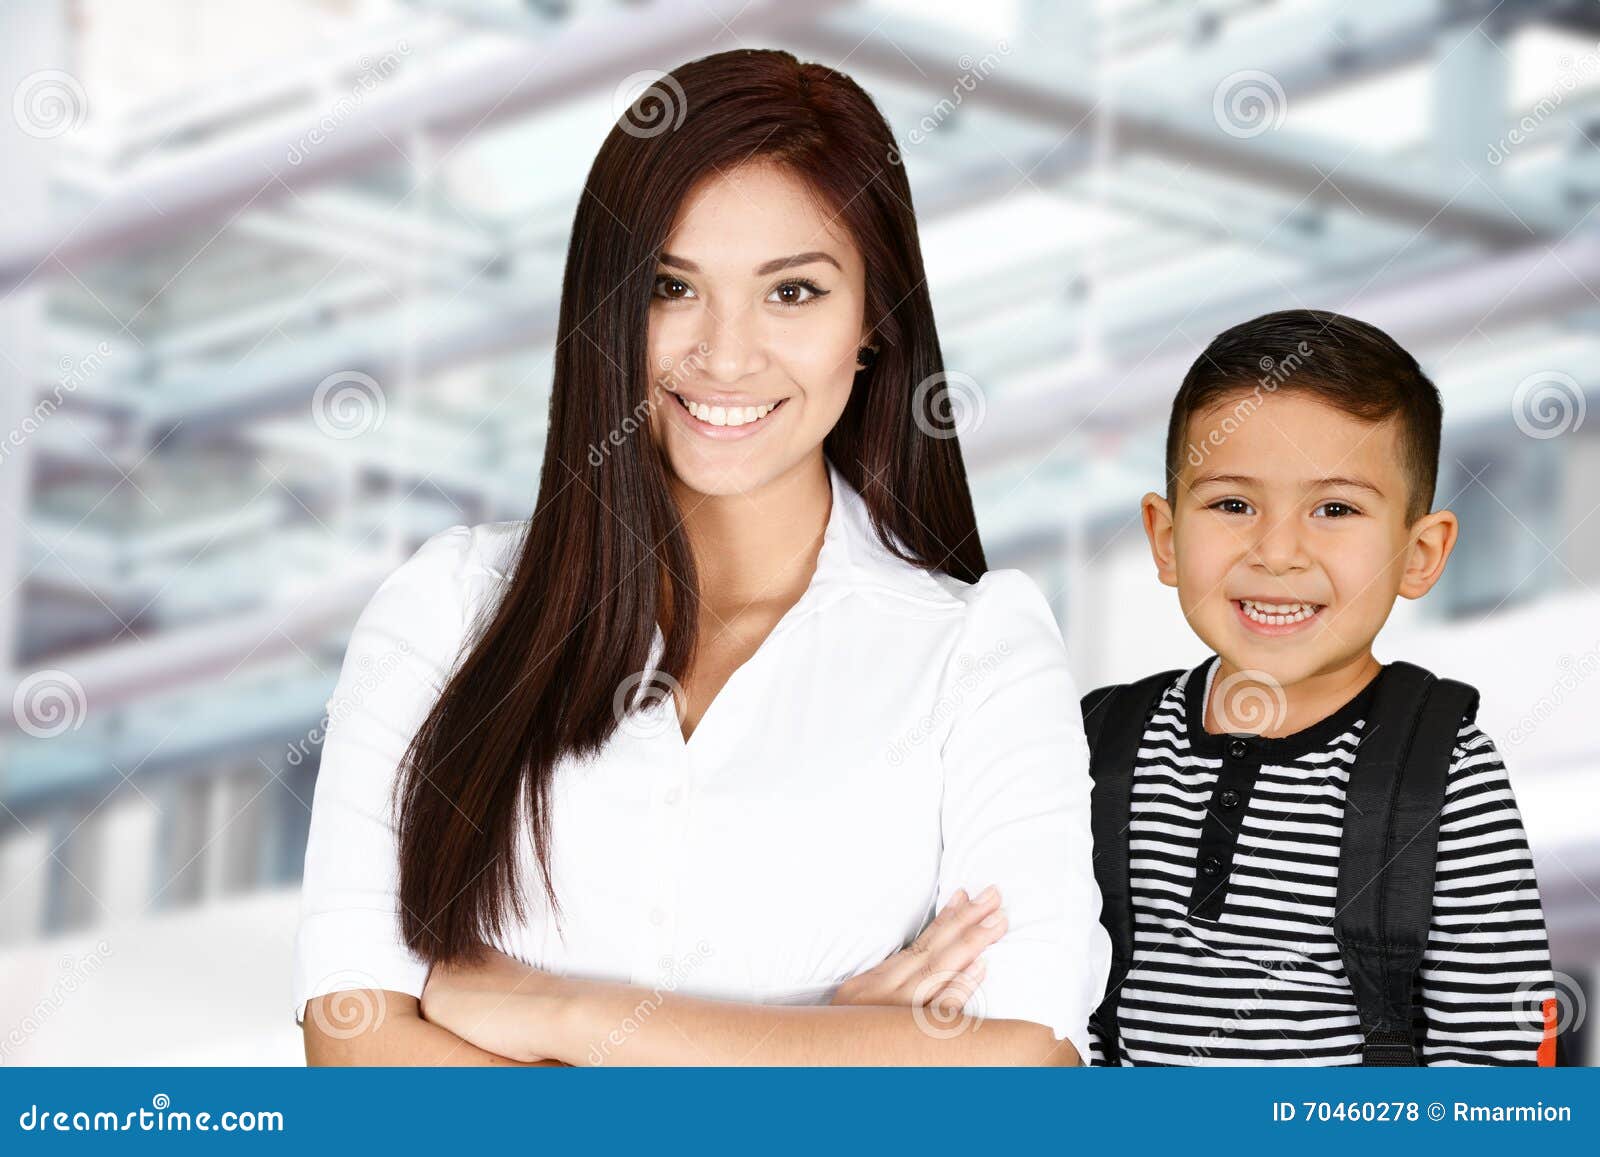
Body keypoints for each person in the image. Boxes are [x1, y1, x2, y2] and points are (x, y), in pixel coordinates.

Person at [292, 47, 1109, 1066]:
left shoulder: (981, 653)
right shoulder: (447, 611)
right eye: (671, 286)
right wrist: (832, 1047)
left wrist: (565, 1016)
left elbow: (1024, 1063)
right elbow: (356, 1051)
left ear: (873, 322)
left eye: (793, 292)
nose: (724, 356)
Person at [1083, 309, 1558, 1066]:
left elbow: (1494, 1057)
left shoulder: (1444, 773)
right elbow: (1051, 1003)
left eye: (1335, 509)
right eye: (1233, 505)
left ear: (1420, 553)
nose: (1277, 552)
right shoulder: (1103, 744)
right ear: (1166, 538)